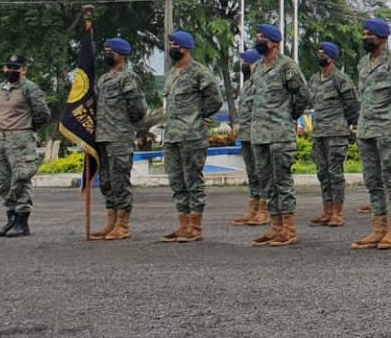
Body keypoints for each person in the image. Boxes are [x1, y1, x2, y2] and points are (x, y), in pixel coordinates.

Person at [350, 18, 391, 250]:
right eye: (364, 34)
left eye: (369, 34)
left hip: (388, 130)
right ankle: (378, 228)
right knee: (373, 181)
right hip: (366, 129)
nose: (365, 37)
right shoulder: (363, 64)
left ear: (382, 37)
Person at [246, 24, 308, 247]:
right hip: (260, 134)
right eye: (258, 36)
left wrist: (288, 115)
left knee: (282, 181)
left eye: (262, 37)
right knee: (267, 183)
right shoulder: (257, 67)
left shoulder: (286, 66)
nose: (258, 39)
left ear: (274, 42)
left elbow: (302, 94)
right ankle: (275, 226)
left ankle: (288, 229)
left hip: (279, 133)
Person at [159, 31, 224, 243]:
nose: (171, 48)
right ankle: (183, 224)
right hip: (172, 136)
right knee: (177, 181)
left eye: (175, 44)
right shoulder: (171, 74)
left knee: (192, 180)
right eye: (170, 44)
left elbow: (215, 99)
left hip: (192, 135)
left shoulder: (199, 73)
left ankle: (195, 227)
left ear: (185, 48)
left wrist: (197, 116)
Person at [90, 37, 145, 241]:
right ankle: (111, 221)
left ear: (121, 54)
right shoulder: (104, 79)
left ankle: (123, 225)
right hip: (102, 137)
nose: (106, 54)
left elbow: (139, 108)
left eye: (109, 51)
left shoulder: (128, 78)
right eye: (105, 50)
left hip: (119, 137)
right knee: (106, 182)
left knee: (119, 181)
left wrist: (124, 125)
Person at [0, 54, 48, 238]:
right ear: (4, 68)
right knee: (3, 180)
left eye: (16, 68)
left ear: (23, 69)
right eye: (9, 67)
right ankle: (11, 218)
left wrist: (27, 129)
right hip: (2, 138)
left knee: (21, 179)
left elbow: (42, 113)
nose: (11, 71)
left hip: (21, 138)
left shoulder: (30, 88)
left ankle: (22, 222)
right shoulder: (1, 88)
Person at [307, 41, 357, 228]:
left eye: (324, 52)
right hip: (319, 132)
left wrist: (351, 126)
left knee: (335, 172)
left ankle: (337, 212)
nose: (320, 54)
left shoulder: (340, 79)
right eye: (318, 51)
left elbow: (352, 104)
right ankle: (326, 211)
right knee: (322, 173)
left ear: (332, 57)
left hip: (336, 133)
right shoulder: (314, 79)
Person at [230, 49, 270, 227]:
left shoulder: (261, 83)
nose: (243, 65)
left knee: (263, 173)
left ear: (254, 63)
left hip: (259, 132)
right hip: (246, 133)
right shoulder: (247, 84)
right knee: (252, 173)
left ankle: (265, 209)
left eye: (245, 61)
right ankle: (253, 207)